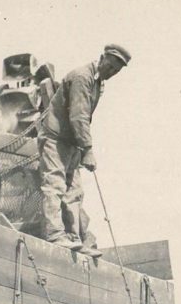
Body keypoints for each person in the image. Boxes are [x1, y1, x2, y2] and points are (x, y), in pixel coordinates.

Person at [37, 44, 131, 255]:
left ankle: (73, 238)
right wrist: (88, 149)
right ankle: (55, 235)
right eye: (110, 66)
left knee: (75, 192)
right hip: (56, 139)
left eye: (116, 71)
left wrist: (81, 146)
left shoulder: (98, 82)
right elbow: (79, 116)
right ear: (102, 58)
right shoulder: (82, 77)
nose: (112, 72)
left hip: (71, 143)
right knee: (55, 185)